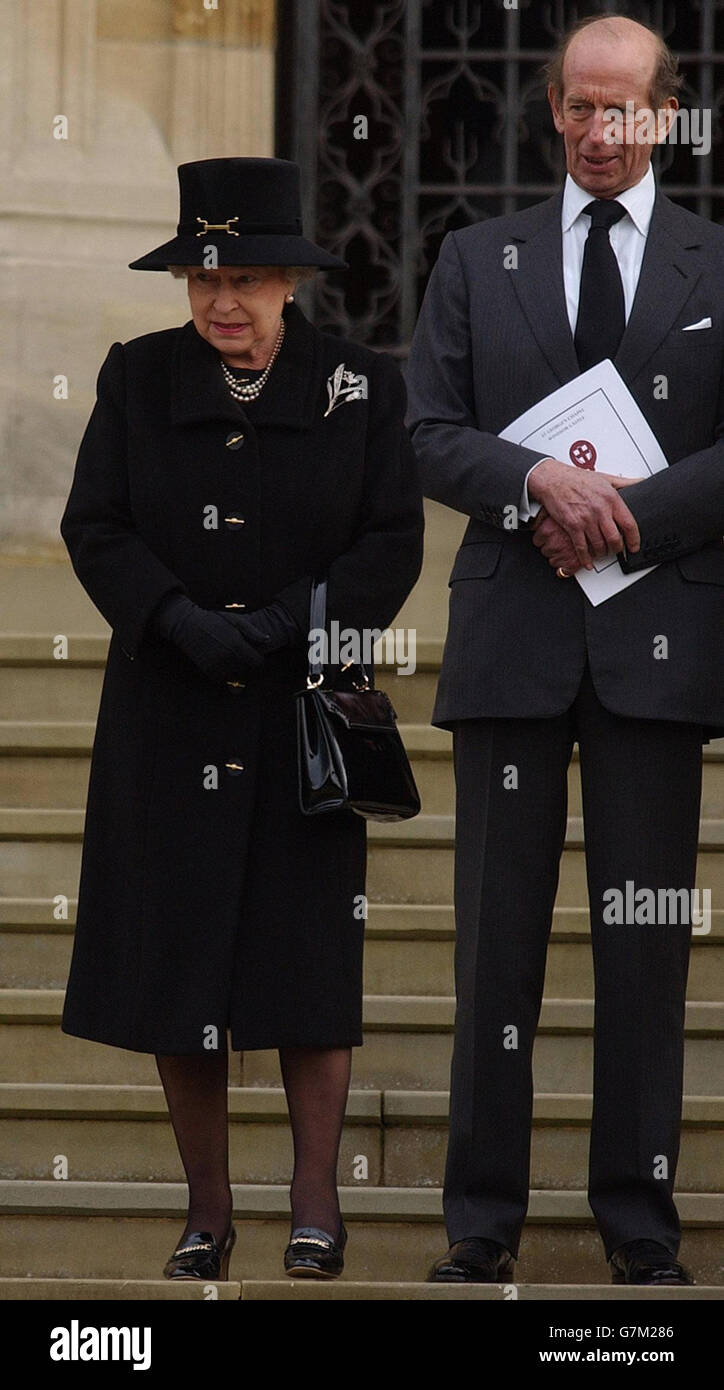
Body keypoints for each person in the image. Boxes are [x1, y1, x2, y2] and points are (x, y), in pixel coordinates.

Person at [60, 157, 424, 1282]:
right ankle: (207, 1211)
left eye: (251, 278)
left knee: (306, 955)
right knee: (179, 962)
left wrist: (284, 625)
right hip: (167, 711)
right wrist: (174, 618)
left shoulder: (359, 384)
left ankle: (316, 1202)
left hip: (302, 714)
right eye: (205, 278)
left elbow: (390, 541)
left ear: (289, 284)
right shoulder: (137, 378)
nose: (225, 301)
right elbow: (97, 525)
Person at [405, 14, 724, 1286]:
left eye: (625, 110)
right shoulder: (478, 258)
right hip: (512, 642)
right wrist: (535, 478)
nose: (601, 133)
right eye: (580, 109)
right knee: (495, 943)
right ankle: (478, 1221)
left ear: (666, 114)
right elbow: (427, 431)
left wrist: (626, 513)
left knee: (643, 946)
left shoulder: (716, 262)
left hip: (658, 649)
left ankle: (639, 1228)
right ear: (551, 110)